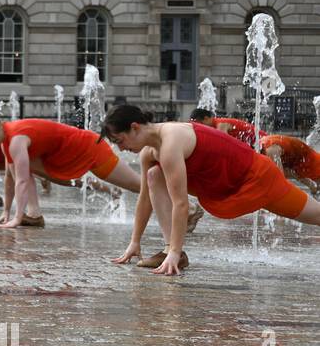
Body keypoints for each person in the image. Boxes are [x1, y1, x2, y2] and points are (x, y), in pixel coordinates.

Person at [105, 105, 320, 276]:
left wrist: (175, 252)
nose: (120, 148)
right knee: (154, 175)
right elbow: (144, 199)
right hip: (225, 185)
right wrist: (135, 242)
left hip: (257, 178)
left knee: (316, 215)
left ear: (134, 127)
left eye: (119, 141)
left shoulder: (171, 141)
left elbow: (180, 203)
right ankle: (171, 250)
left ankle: (174, 252)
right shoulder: (150, 152)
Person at [0, 116, 154, 229]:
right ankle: (33, 215)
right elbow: (12, 177)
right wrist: (6, 213)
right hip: (66, 155)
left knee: (138, 185)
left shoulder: (16, 139)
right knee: (22, 170)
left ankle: (179, 212)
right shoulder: (6, 141)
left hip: (89, 148)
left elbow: (22, 181)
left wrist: (17, 218)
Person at [189, 109, 261, 147]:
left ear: (206, 118)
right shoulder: (218, 123)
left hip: (265, 143)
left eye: (199, 124)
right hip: (260, 143)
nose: (199, 128)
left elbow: (222, 144)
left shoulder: (221, 124)